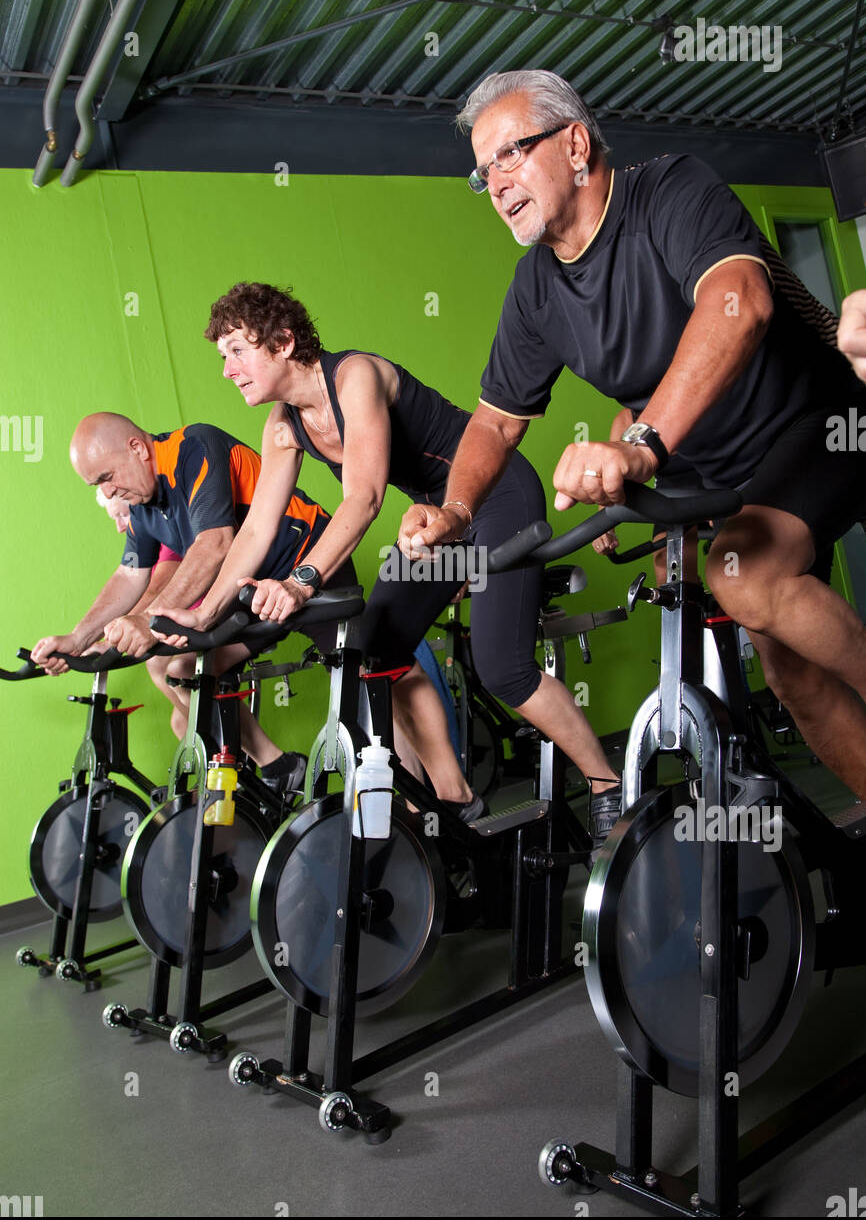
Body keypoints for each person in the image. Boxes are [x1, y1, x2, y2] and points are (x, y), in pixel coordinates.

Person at [399, 68, 866, 802]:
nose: (496, 182)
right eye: (483, 172)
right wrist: (456, 512)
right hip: (722, 475)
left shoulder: (669, 191)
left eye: (511, 154)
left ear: (576, 143)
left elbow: (738, 300)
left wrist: (640, 445)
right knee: (792, 676)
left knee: (747, 573)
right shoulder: (536, 289)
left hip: (824, 425)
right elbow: (495, 420)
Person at [153, 282, 622, 836]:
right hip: (433, 522)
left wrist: (302, 581)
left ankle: (607, 786)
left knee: (505, 669)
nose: (228, 369)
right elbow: (255, 529)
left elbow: (364, 498)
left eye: (237, 349)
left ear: (282, 341)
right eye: (222, 356)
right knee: (371, 656)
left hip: (497, 496)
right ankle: (431, 806)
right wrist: (206, 615)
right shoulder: (283, 426)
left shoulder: (355, 378)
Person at [31, 413, 340, 797]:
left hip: (309, 565)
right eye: (97, 486)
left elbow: (214, 545)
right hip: (249, 592)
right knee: (178, 669)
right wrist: (78, 639)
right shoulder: (144, 504)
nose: (108, 494)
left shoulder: (194, 447)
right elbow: (129, 577)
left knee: (379, 681)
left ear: (137, 448)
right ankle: (272, 770)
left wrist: (147, 621)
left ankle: (279, 768)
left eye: (107, 478)